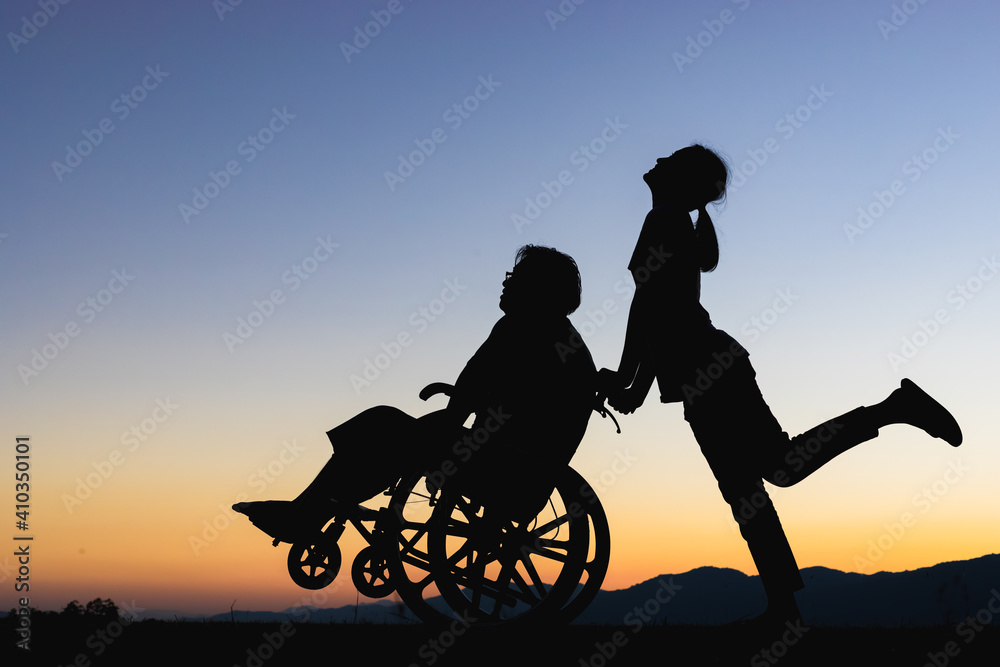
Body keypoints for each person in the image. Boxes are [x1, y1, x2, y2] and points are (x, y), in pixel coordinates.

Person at [600, 144, 962, 628]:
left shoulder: (663, 219)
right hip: (706, 370)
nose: (658, 159)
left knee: (773, 474)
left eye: (671, 157)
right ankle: (785, 609)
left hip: (709, 372)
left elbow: (648, 307)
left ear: (680, 178)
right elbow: (658, 312)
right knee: (756, 488)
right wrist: (635, 385)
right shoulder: (669, 219)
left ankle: (892, 408)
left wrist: (629, 381)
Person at [236, 244, 597, 541]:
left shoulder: (527, 331)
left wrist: (453, 418)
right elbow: (488, 387)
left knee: (385, 426)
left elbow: (496, 395)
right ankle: (311, 509)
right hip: (510, 461)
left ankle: (309, 514)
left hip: (506, 465)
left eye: (515, 278)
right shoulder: (548, 335)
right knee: (388, 427)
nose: (505, 284)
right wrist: (459, 411)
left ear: (538, 289)